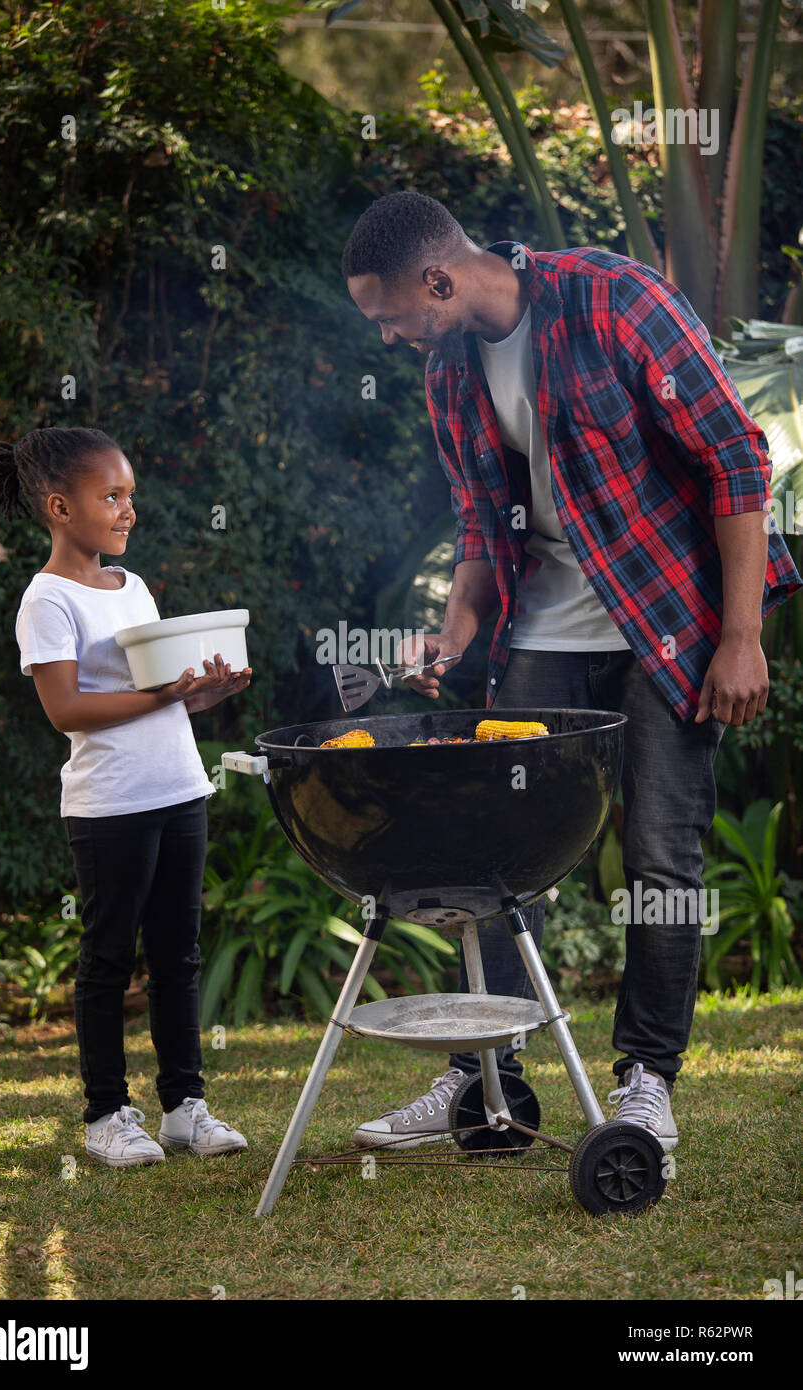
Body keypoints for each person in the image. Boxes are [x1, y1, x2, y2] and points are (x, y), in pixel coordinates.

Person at [341, 192, 802, 1153]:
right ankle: (486, 1082)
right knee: (501, 861)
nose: (387, 337)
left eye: (389, 316)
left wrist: (743, 634)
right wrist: (452, 635)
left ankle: (645, 1084)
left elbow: (734, 459)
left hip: (666, 625)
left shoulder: (613, 298)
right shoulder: (448, 370)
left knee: (662, 860)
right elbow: (480, 527)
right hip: (540, 634)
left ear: (439, 280)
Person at [0, 427, 253, 1168]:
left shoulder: (132, 587)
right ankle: (106, 1113)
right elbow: (67, 709)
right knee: (107, 959)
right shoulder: (47, 599)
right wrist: (165, 691)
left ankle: (184, 1109)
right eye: (112, 496)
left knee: (178, 955)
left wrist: (204, 694)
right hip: (110, 807)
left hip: (178, 790)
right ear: (61, 506)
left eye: (130, 495)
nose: (129, 509)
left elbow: (159, 701)